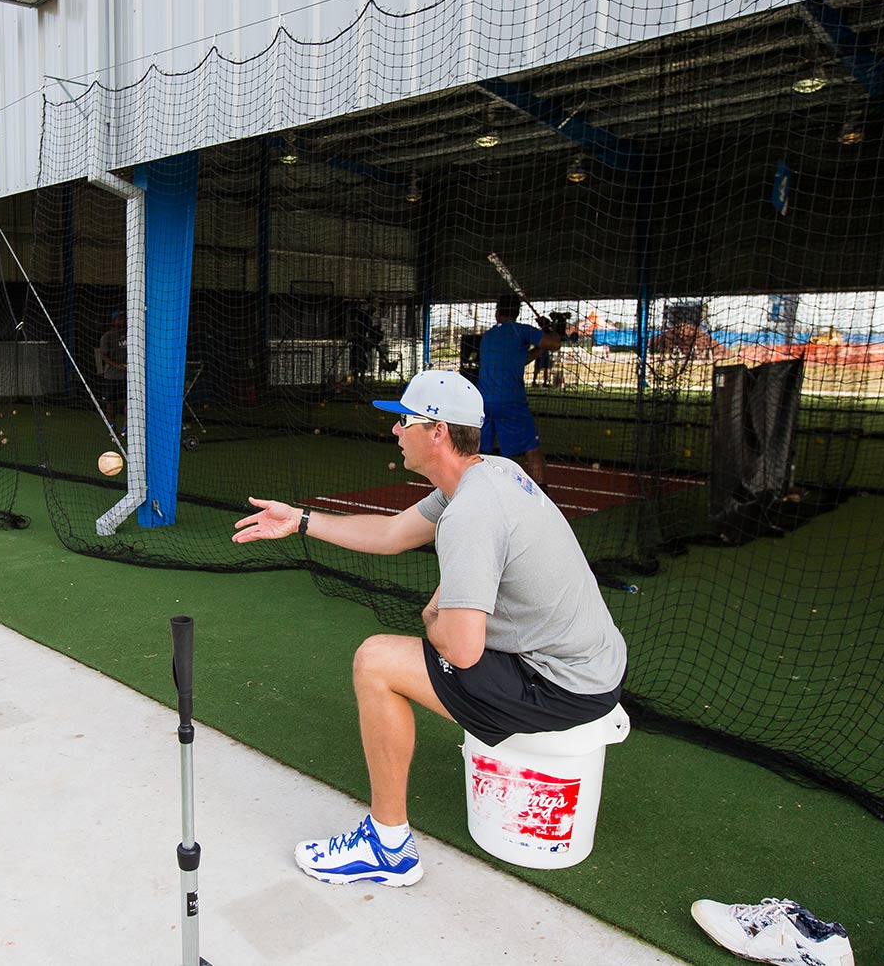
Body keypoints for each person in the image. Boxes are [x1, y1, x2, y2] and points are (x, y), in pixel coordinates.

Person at [232, 369, 626, 887]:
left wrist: (432, 616)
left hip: (563, 685)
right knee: (408, 647)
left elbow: (461, 651)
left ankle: (387, 846)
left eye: (405, 421)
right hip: (592, 665)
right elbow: (393, 533)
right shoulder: (491, 471)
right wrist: (301, 520)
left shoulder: (471, 513)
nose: (395, 431)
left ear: (437, 432)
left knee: (376, 661)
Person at [478, 295, 561, 487]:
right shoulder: (521, 330)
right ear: (517, 313)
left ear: (497, 313)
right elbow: (555, 343)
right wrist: (548, 328)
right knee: (532, 449)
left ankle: (478, 490)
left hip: (483, 402)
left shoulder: (488, 336)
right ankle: (541, 495)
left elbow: (518, 360)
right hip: (511, 401)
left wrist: (539, 349)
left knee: (481, 450)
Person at [99, 310, 127, 431]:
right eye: (119, 319)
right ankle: (112, 426)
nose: (122, 321)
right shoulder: (107, 337)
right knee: (111, 403)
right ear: (113, 321)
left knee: (129, 402)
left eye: (123, 318)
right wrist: (118, 366)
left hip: (127, 376)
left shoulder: (130, 334)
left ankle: (126, 427)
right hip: (112, 376)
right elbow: (104, 356)